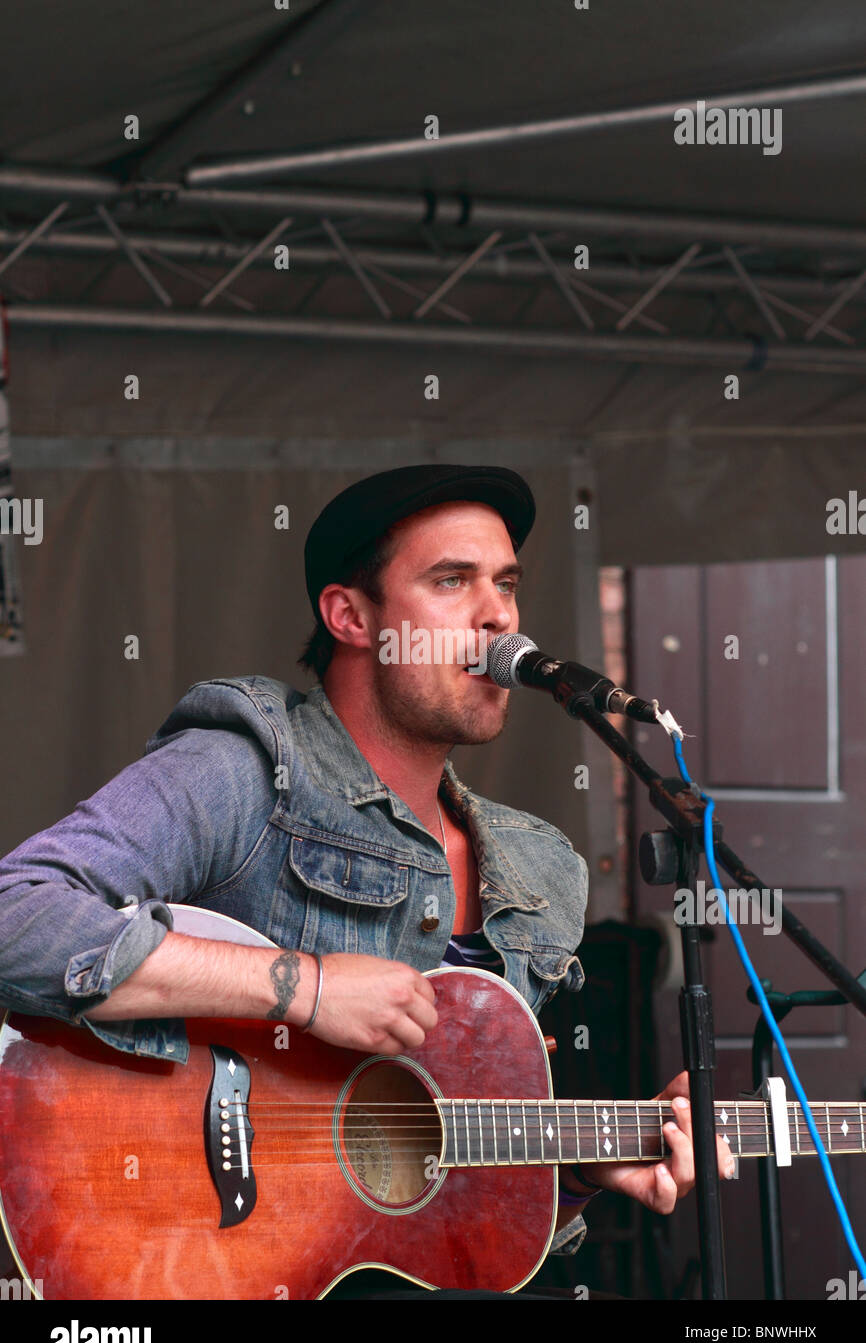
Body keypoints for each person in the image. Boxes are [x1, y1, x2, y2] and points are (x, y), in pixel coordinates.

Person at [0, 463, 733, 1296]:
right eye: (451, 581)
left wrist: (578, 1171)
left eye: (506, 584)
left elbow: (438, 1186)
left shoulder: (542, 871)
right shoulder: (245, 771)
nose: (499, 617)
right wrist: (304, 988)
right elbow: (16, 914)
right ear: (351, 616)